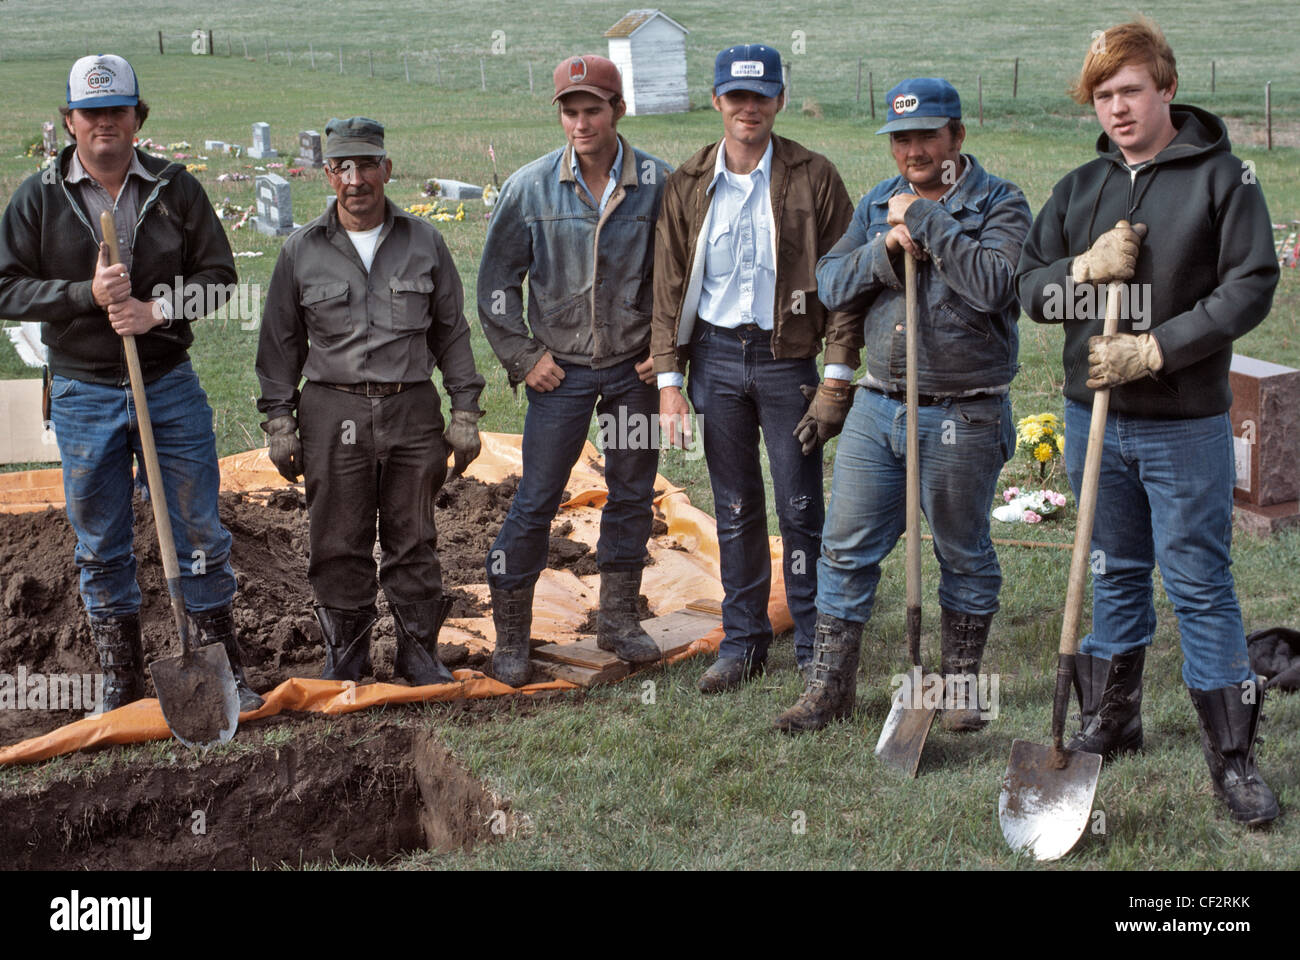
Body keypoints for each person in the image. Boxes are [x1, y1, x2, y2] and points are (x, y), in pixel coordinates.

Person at [1015, 19, 1280, 825]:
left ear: (1166, 87)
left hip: (1180, 423)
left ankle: (1233, 759)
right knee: (1114, 572)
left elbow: (1251, 285)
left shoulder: (1225, 178)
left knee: (1199, 584)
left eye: (1131, 89)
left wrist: (1158, 348)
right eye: (1103, 95)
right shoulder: (1078, 188)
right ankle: (1114, 716)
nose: (1118, 108)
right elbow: (1031, 292)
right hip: (1092, 419)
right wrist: (1080, 271)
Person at [0, 54, 263, 712]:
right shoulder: (39, 197)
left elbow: (220, 278)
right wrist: (83, 294)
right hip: (84, 390)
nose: (104, 122)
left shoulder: (176, 190)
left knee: (198, 526)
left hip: (167, 381)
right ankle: (119, 676)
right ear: (70, 122)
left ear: (137, 117)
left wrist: (157, 309)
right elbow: (5, 287)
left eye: (117, 109)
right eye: (90, 113)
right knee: (100, 537)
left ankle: (221, 664)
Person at [775, 79, 1031, 732]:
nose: (912, 150)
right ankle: (828, 689)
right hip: (878, 406)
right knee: (845, 547)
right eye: (901, 138)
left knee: (962, 549)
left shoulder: (1000, 203)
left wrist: (929, 224)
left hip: (963, 413)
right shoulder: (875, 206)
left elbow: (999, 288)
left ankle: (959, 690)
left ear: (957, 137)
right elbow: (831, 284)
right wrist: (886, 247)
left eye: (926, 136)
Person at [651, 43, 859, 693]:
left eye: (761, 96)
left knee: (800, 505)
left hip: (786, 361)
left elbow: (846, 283)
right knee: (736, 507)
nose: (749, 108)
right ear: (717, 101)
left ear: (779, 101)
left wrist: (836, 376)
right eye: (736, 96)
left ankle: (811, 637)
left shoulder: (813, 176)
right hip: (714, 360)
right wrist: (670, 383)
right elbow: (667, 286)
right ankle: (741, 643)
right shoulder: (687, 182)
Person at [256, 117, 485, 686]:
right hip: (332, 412)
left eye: (366, 165)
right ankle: (348, 655)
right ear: (328, 173)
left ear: (387, 168)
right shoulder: (301, 250)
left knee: (414, 536)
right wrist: (279, 421)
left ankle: (417, 653)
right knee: (336, 538)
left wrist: (464, 414)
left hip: (411, 409)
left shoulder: (424, 241)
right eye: (342, 168)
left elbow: (451, 332)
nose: (355, 180)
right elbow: (280, 344)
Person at [479, 55, 672, 686]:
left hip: (633, 376)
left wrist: (666, 348)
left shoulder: (659, 185)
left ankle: (617, 618)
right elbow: (497, 286)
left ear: (618, 110)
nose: (581, 122)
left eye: (593, 109)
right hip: (561, 375)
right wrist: (524, 355)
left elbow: (684, 277)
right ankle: (512, 633)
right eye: (570, 110)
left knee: (632, 491)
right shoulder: (530, 188)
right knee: (535, 498)